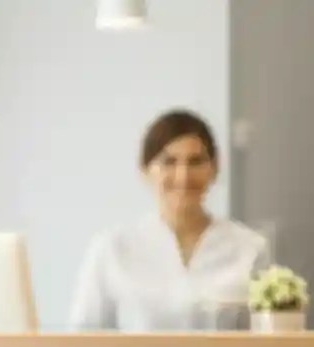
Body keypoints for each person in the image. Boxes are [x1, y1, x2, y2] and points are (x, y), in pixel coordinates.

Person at [69, 110, 270, 331]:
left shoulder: (250, 249)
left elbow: (270, 344)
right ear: (145, 170)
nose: (183, 176)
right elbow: (84, 342)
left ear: (214, 169)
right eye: (169, 162)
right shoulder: (111, 249)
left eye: (196, 161)